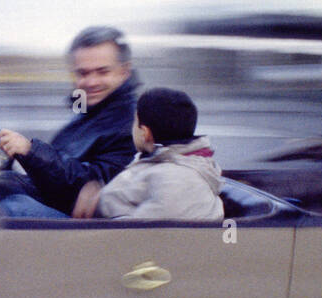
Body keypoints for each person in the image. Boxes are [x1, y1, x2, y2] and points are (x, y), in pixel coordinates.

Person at [0, 26, 139, 217]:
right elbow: (63, 163)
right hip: (61, 203)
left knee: (10, 209)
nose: (91, 82)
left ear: (124, 72)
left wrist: (31, 151)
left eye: (102, 72)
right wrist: (19, 160)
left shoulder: (132, 123)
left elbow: (93, 184)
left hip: (93, 225)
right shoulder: (86, 107)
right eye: (83, 74)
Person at [72, 88, 223, 221]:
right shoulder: (160, 162)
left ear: (145, 133)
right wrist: (98, 197)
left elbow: (140, 234)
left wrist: (92, 218)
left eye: (134, 121)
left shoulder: (179, 181)